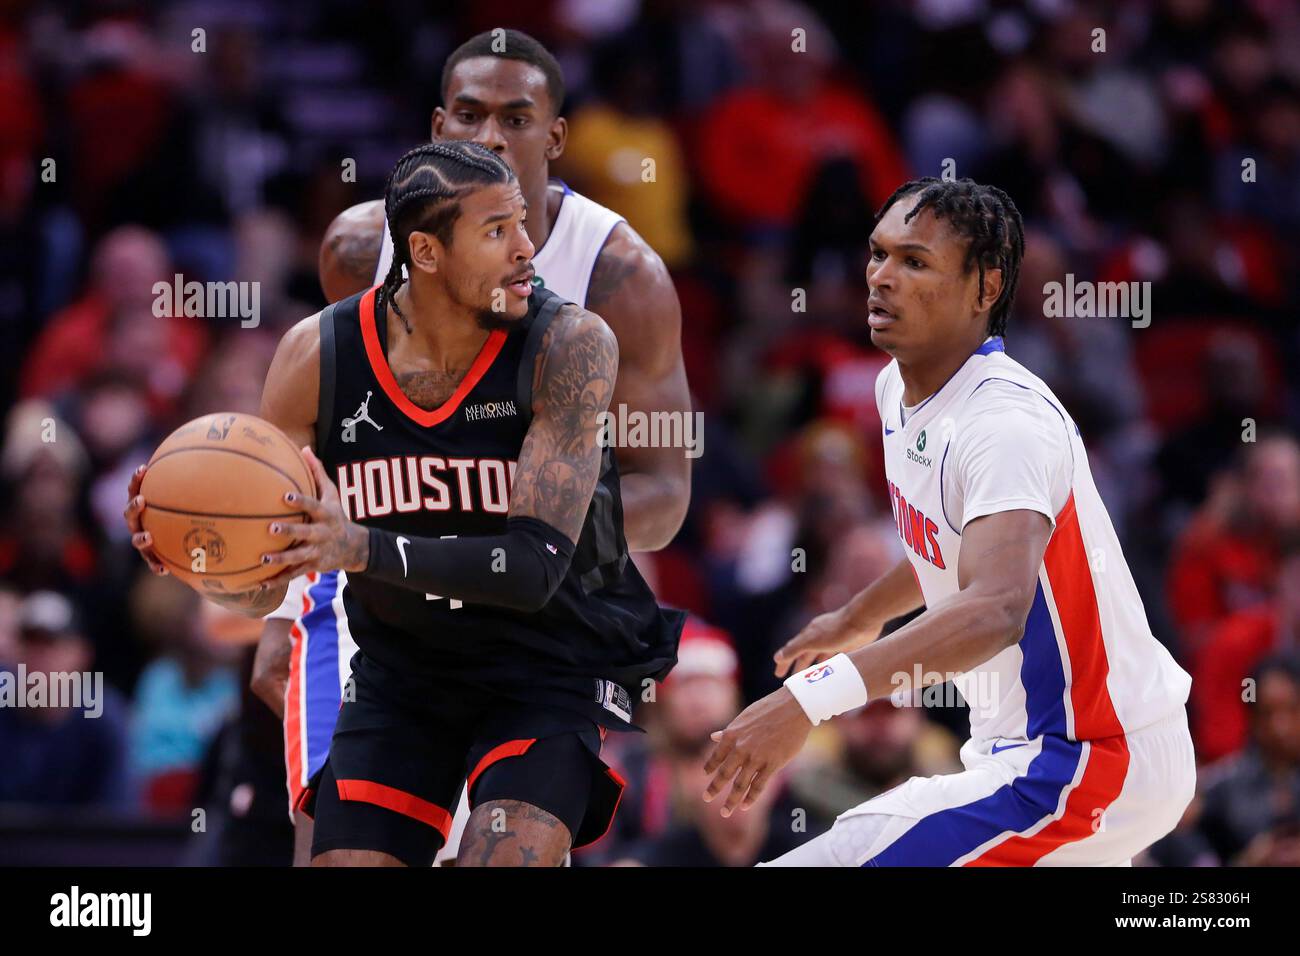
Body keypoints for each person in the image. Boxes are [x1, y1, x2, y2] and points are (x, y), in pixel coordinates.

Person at [126, 140, 685, 866]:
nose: (526, 249)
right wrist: (200, 554)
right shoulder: (316, 356)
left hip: (547, 663)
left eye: (523, 224)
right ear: (425, 251)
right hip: (402, 673)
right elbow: (267, 585)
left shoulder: (570, 344)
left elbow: (531, 568)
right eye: (497, 231)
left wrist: (357, 547)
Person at [252, 28, 692, 864]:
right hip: (390, 615)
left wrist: (535, 529)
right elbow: (303, 477)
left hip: (543, 617)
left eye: (516, 118)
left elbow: (665, 496)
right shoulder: (354, 259)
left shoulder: (614, 281)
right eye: (471, 114)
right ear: (437, 124)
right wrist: (232, 564)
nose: (491, 136)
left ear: (555, 136)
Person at [702, 178, 1196, 867]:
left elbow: (995, 607)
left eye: (914, 262)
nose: (880, 277)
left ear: (985, 285)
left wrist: (810, 699)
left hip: (1090, 758)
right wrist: (858, 614)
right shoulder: (894, 389)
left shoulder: (1004, 422)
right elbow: (953, 544)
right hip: (1021, 754)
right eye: (877, 255)